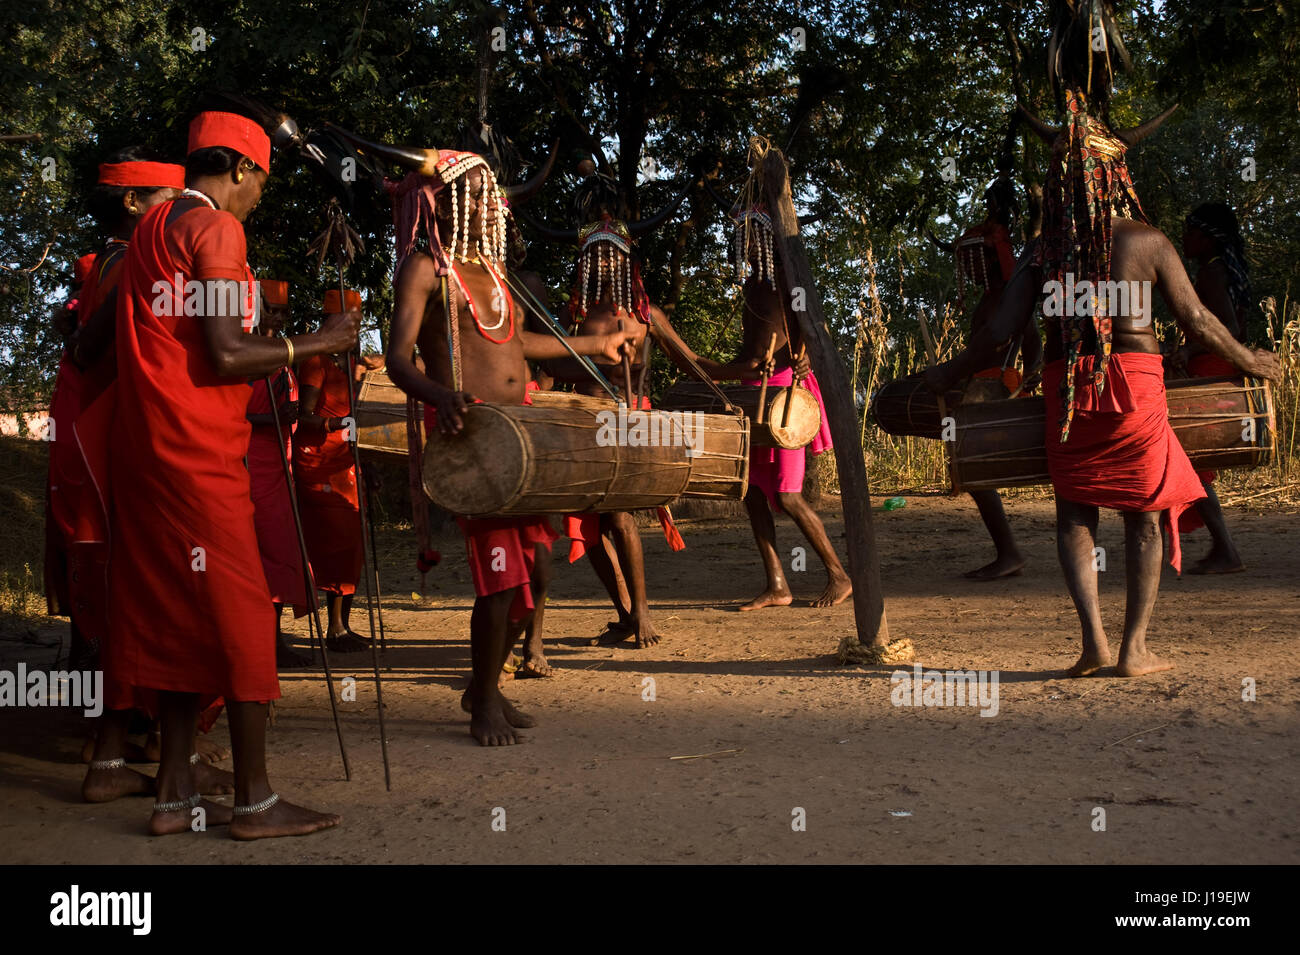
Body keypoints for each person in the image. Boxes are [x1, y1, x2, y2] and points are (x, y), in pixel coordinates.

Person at [924, 84, 1278, 678]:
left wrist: (948, 373)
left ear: (1062, 184)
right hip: (1137, 383)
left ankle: (1094, 644)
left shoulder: (1044, 252)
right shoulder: (1147, 241)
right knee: (1142, 514)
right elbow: (1195, 319)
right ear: (1115, 177)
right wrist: (1249, 358)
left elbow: (999, 333)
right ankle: (1134, 650)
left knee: (1074, 512)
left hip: (1072, 390)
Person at [105, 93, 355, 836]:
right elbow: (224, 352)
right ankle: (255, 801)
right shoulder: (215, 230)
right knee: (246, 616)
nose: (255, 200)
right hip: (197, 456)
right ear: (241, 168)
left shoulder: (152, 226)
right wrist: (321, 340)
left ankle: (173, 796)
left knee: (179, 616)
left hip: (147, 455)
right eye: (259, 184)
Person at [384, 149, 634, 745]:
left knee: (536, 577)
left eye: (486, 194)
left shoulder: (495, 276)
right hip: (473, 439)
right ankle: (482, 708)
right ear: (443, 202)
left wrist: (594, 349)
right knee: (498, 580)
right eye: (470, 194)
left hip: (520, 437)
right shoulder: (427, 269)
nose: (485, 203)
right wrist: (438, 395)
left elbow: (515, 345)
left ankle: (484, 687)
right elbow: (397, 359)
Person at [44, 150, 185, 802]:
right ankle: (137, 745)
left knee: (114, 590)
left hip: (99, 446)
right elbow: (98, 346)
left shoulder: (110, 263)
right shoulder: (131, 264)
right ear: (133, 205)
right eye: (167, 199)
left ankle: (121, 741)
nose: (178, 213)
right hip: (117, 449)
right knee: (140, 592)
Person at [651, 194, 850, 611]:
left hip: (784, 397)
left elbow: (816, 333)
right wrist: (734, 369)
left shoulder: (789, 281)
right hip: (752, 392)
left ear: (764, 237)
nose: (740, 244)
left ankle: (839, 575)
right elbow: (750, 349)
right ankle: (778, 584)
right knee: (752, 492)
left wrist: (803, 360)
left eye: (747, 236)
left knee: (790, 495)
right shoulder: (753, 286)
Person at [929, 178, 1043, 579]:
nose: (971, 270)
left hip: (998, 387)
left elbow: (1031, 337)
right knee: (972, 469)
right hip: (984, 384)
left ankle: (1009, 552)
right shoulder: (994, 296)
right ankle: (1008, 551)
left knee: (975, 466)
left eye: (976, 262)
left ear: (990, 260)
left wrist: (1030, 380)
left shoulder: (1010, 294)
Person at [1176, 203, 1253, 573]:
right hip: (1217, 371)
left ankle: (1225, 549)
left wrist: (1188, 349)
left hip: (1209, 373)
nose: (1184, 238)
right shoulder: (1221, 270)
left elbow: (1230, 332)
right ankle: (1219, 548)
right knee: (1190, 462)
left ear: (1208, 238)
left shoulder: (1211, 273)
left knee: (1191, 462)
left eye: (1191, 232)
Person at [294, 289, 368, 652]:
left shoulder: (349, 362)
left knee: (352, 545)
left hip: (345, 463)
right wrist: (336, 425)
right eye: (351, 322)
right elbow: (303, 416)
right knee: (334, 544)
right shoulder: (316, 362)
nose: (357, 329)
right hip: (319, 465)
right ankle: (334, 628)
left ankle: (343, 626)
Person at [245, 279, 313, 666]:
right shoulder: (242, 353)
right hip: (253, 464)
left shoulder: (284, 353)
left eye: (282, 311)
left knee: (284, 551)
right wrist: (270, 418)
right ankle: (261, 643)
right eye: (270, 309)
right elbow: (232, 413)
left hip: (281, 463)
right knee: (263, 554)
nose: (276, 317)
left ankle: (274, 639)